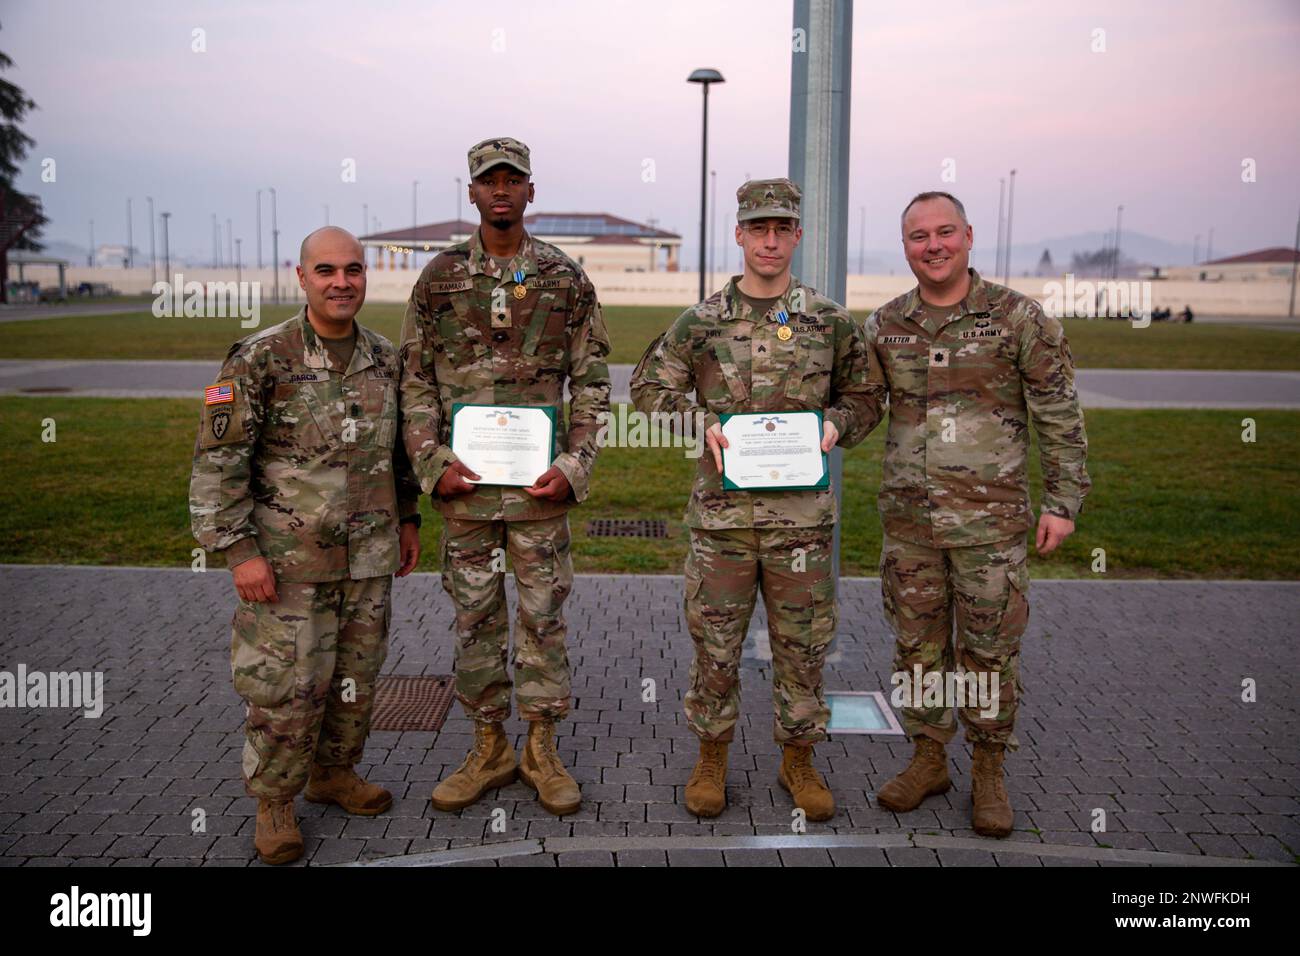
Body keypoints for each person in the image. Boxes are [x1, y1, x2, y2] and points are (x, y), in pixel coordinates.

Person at [630, 178, 883, 821]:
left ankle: (798, 758)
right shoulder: (703, 320)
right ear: (739, 235)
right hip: (724, 522)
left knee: (802, 646)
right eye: (758, 228)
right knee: (716, 645)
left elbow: (866, 395)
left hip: (802, 522)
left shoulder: (827, 320)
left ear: (797, 235)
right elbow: (648, 389)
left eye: (782, 229)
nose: (770, 240)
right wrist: (699, 423)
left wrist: (838, 425)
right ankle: (711, 754)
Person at [190, 226, 421, 865]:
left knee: (355, 679)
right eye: (326, 271)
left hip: (369, 556)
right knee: (289, 687)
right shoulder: (261, 358)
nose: (341, 282)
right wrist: (238, 552)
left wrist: (409, 519)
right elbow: (218, 462)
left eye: (352, 270)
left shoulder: (384, 357)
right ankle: (274, 802)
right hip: (287, 564)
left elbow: (399, 451)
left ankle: (335, 774)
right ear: (301, 278)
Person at [867, 192, 1090, 837]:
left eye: (944, 233)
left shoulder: (1019, 319)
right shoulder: (885, 325)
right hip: (911, 525)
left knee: (989, 652)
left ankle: (989, 769)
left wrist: (1064, 501)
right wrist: (817, 428)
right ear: (904, 245)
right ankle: (929, 758)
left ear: (968, 236)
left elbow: (1058, 413)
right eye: (917, 236)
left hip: (991, 527)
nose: (931, 245)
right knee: (917, 649)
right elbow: (859, 402)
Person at [399, 137, 611, 817]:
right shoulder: (437, 281)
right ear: (471, 194)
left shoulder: (563, 277)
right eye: (487, 181)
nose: (499, 191)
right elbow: (415, 384)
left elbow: (595, 385)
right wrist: (432, 464)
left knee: (544, 621)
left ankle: (541, 748)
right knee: (475, 621)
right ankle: (488, 745)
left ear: (529, 191)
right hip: (465, 494)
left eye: (511, 180)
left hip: (538, 495)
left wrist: (574, 465)